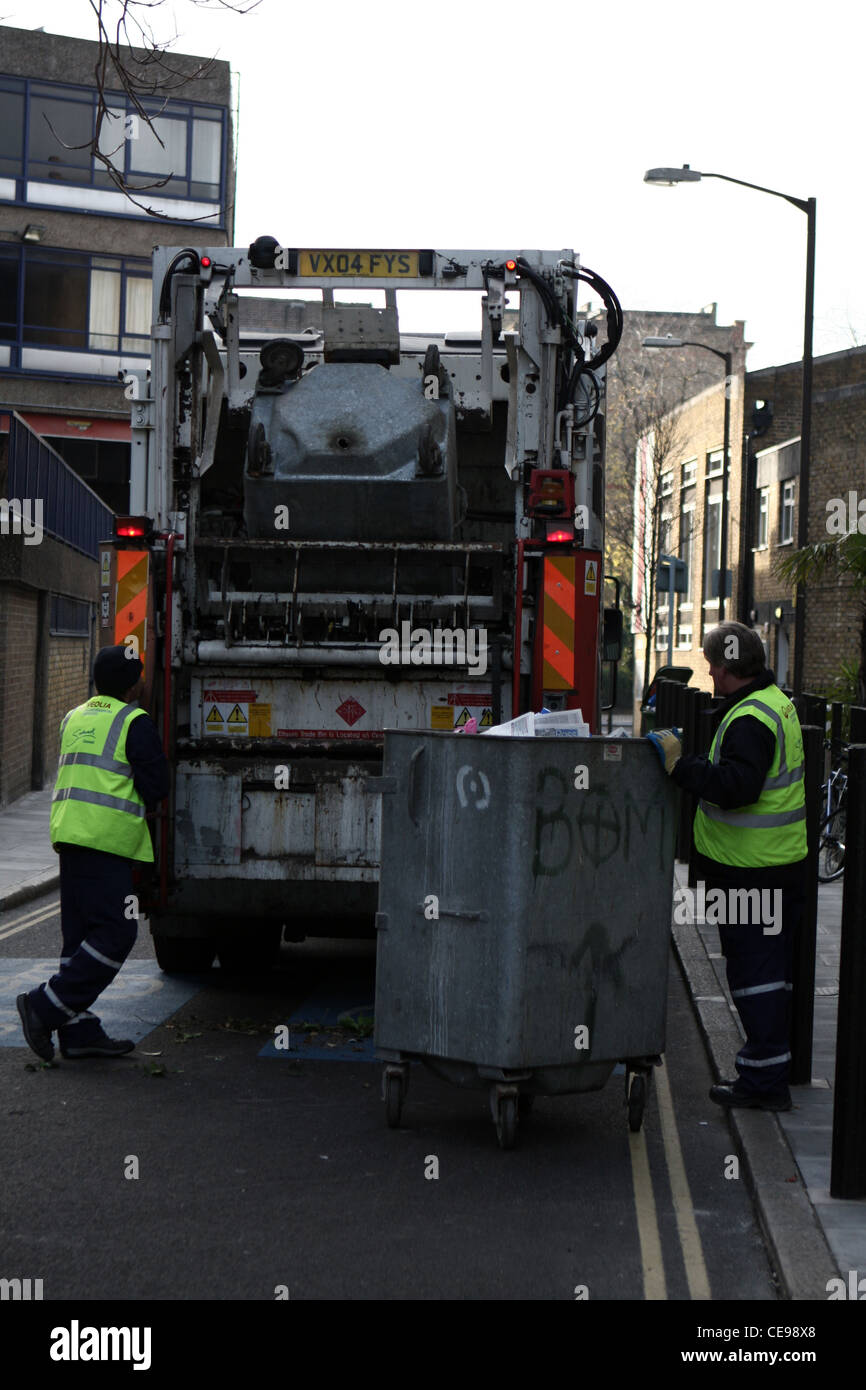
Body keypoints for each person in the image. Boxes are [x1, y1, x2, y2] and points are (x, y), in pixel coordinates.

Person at [646, 622, 807, 1112]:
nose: (709, 673)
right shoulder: (770, 703)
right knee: (769, 973)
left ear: (729, 666)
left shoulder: (751, 718)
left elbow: (738, 788)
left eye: (713, 664)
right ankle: (771, 1071)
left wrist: (680, 766)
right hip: (772, 866)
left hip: (752, 872)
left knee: (754, 975)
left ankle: (763, 1085)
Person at [17, 645, 169, 1061]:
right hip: (107, 843)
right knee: (118, 933)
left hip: (70, 838)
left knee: (79, 940)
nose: (143, 680)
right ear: (130, 684)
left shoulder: (74, 717)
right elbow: (158, 786)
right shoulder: (133, 722)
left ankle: (79, 1032)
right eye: (138, 675)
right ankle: (43, 1007)